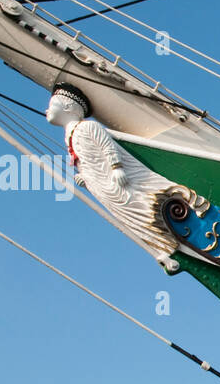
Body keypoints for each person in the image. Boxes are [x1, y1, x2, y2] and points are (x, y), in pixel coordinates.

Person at [45, 82, 206, 271]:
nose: (46, 109)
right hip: (106, 191)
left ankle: (179, 232)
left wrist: (116, 166)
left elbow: (107, 146)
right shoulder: (71, 138)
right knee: (131, 218)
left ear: (68, 106)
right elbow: (92, 163)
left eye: (51, 105)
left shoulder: (86, 127)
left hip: (119, 184)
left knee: (144, 205)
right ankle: (163, 244)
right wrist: (86, 178)